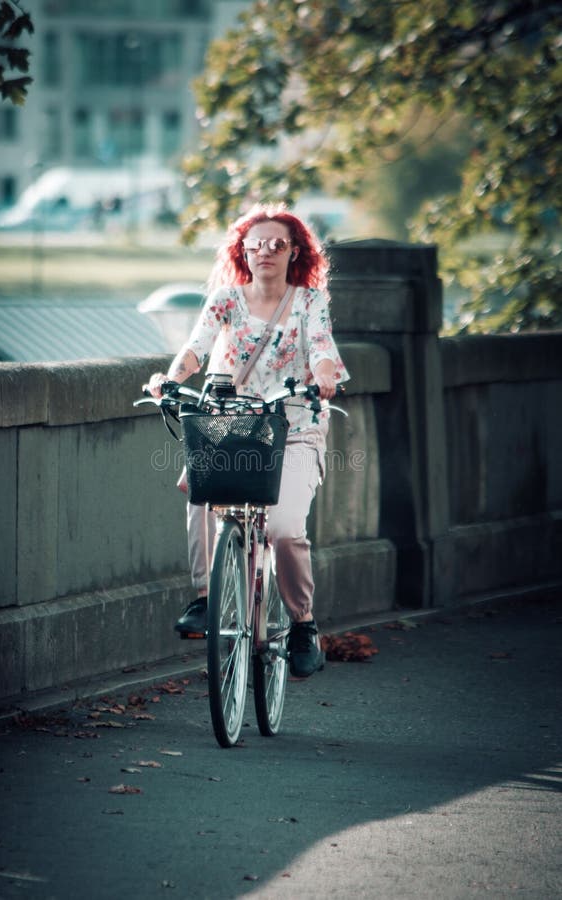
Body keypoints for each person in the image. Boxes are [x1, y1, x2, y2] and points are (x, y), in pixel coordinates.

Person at [148, 203, 349, 678]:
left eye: (277, 244)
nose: (266, 251)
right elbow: (195, 348)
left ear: (294, 251)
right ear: (242, 251)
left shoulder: (308, 301)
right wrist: (168, 379)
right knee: (200, 488)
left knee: (282, 530)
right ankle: (204, 598)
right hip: (232, 424)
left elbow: (322, 347)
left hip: (292, 425)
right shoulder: (225, 299)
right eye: (255, 244)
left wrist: (323, 377)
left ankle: (302, 623)